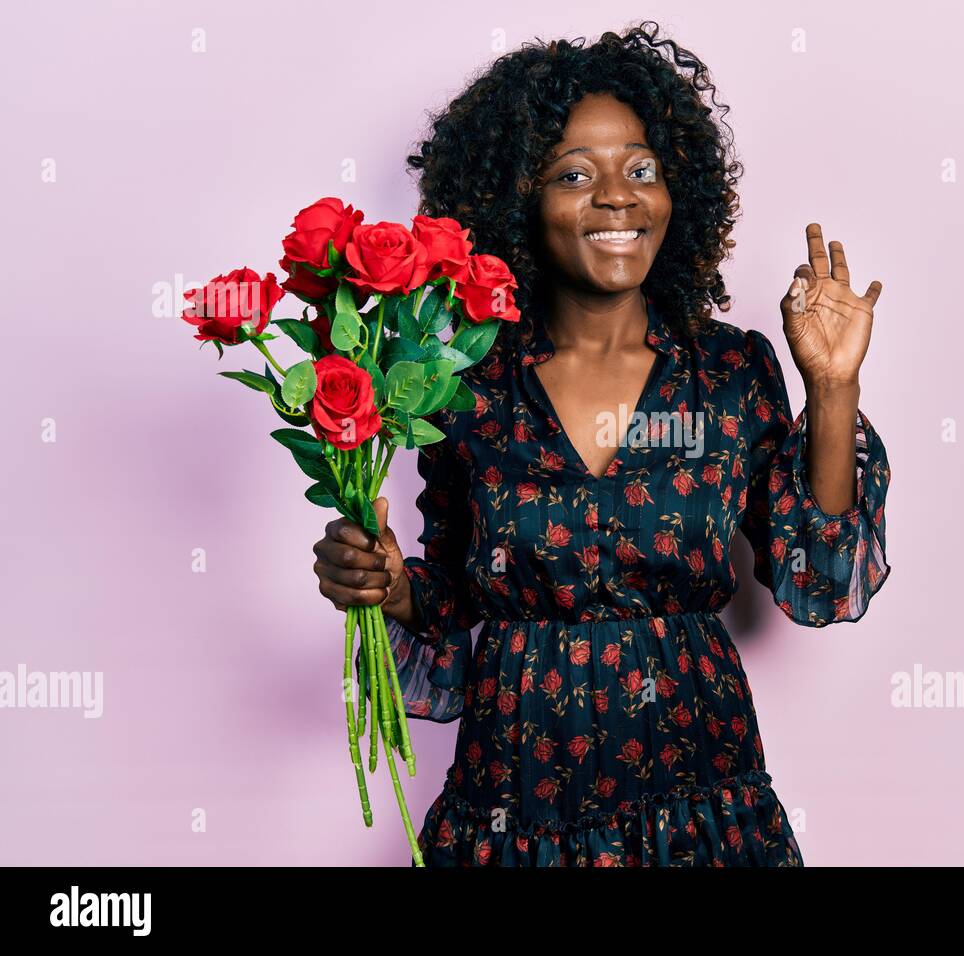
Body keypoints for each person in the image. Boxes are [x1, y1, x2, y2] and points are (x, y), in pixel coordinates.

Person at [311, 21, 890, 866]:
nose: (618, 195)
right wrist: (388, 584)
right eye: (574, 174)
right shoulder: (462, 382)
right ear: (516, 202)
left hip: (696, 798)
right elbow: (452, 601)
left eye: (642, 169)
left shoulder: (728, 369)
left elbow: (819, 582)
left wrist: (833, 391)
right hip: (514, 802)